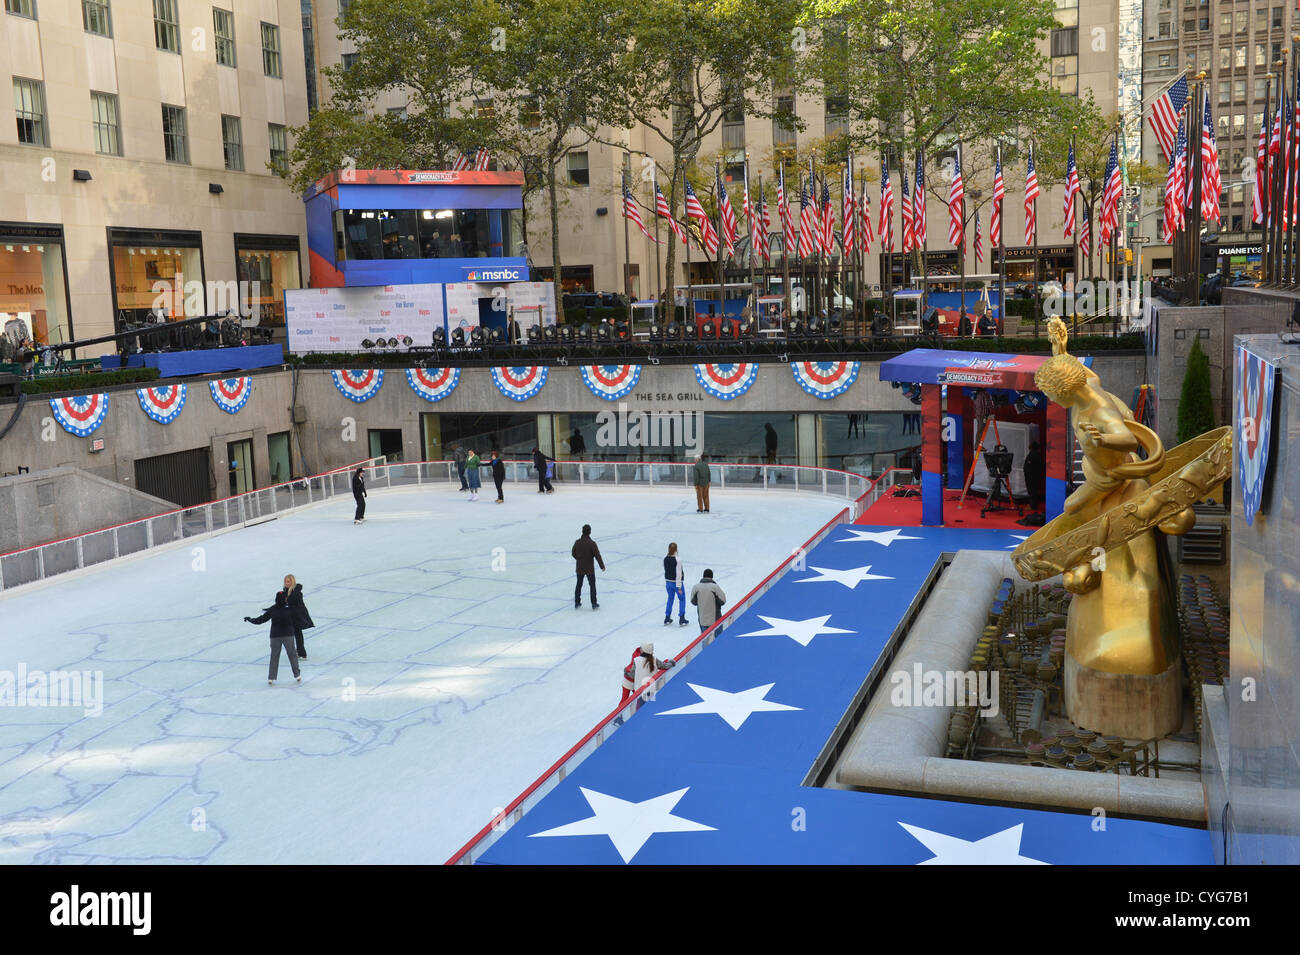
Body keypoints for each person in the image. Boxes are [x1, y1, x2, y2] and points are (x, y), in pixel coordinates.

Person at [245, 592, 302, 685]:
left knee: (274, 657)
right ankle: (297, 675)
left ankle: (271, 677)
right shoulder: (290, 609)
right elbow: (299, 619)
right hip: (288, 635)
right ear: (285, 599)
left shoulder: (273, 609)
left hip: (275, 636)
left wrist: (250, 619)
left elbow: (261, 620)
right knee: (292, 655)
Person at [616, 641, 676, 722]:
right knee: (633, 700)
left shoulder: (638, 659)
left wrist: (626, 671)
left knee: (639, 702)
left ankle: (639, 719)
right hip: (637, 684)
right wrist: (671, 663)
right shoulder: (652, 659)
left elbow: (632, 673)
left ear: (643, 650)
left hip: (638, 686)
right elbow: (663, 666)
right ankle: (620, 717)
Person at [282, 574, 315, 660]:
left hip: (297, 616)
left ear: (292, 582)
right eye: (285, 581)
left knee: (297, 633)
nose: (286, 583)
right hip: (292, 615)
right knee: (296, 634)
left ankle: (301, 653)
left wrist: (301, 618)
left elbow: (299, 605)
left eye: (288, 581)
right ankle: (300, 652)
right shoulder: (286, 591)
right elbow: (282, 602)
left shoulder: (296, 592)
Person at [571, 523, 605, 609]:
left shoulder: (577, 542)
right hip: (589, 568)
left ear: (582, 532)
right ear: (590, 532)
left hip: (580, 568)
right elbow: (597, 556)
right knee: (592, 585)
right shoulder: (592, 543)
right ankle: (594, 603)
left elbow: (573, 553)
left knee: (579, 584)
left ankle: (577, 602)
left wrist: (579, 559)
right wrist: (602, 566)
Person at [689, 569, 727, 634]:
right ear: (711, 577)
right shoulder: (715, 587)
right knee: (718, 639)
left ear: (703, 576)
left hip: (702, 620)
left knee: (705, 640)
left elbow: (693, 602)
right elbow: (723, 601)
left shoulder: (696, 587)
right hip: (715, 620)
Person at [663, 543, 687, 626]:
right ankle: (682, 618)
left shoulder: (665, 559)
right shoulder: (678, 559)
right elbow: (679, 573)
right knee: (682, 599)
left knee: (670, 598)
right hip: (676, 582)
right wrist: (679, 586)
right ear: (676, 549)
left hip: (668, 582)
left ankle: (667, 617)